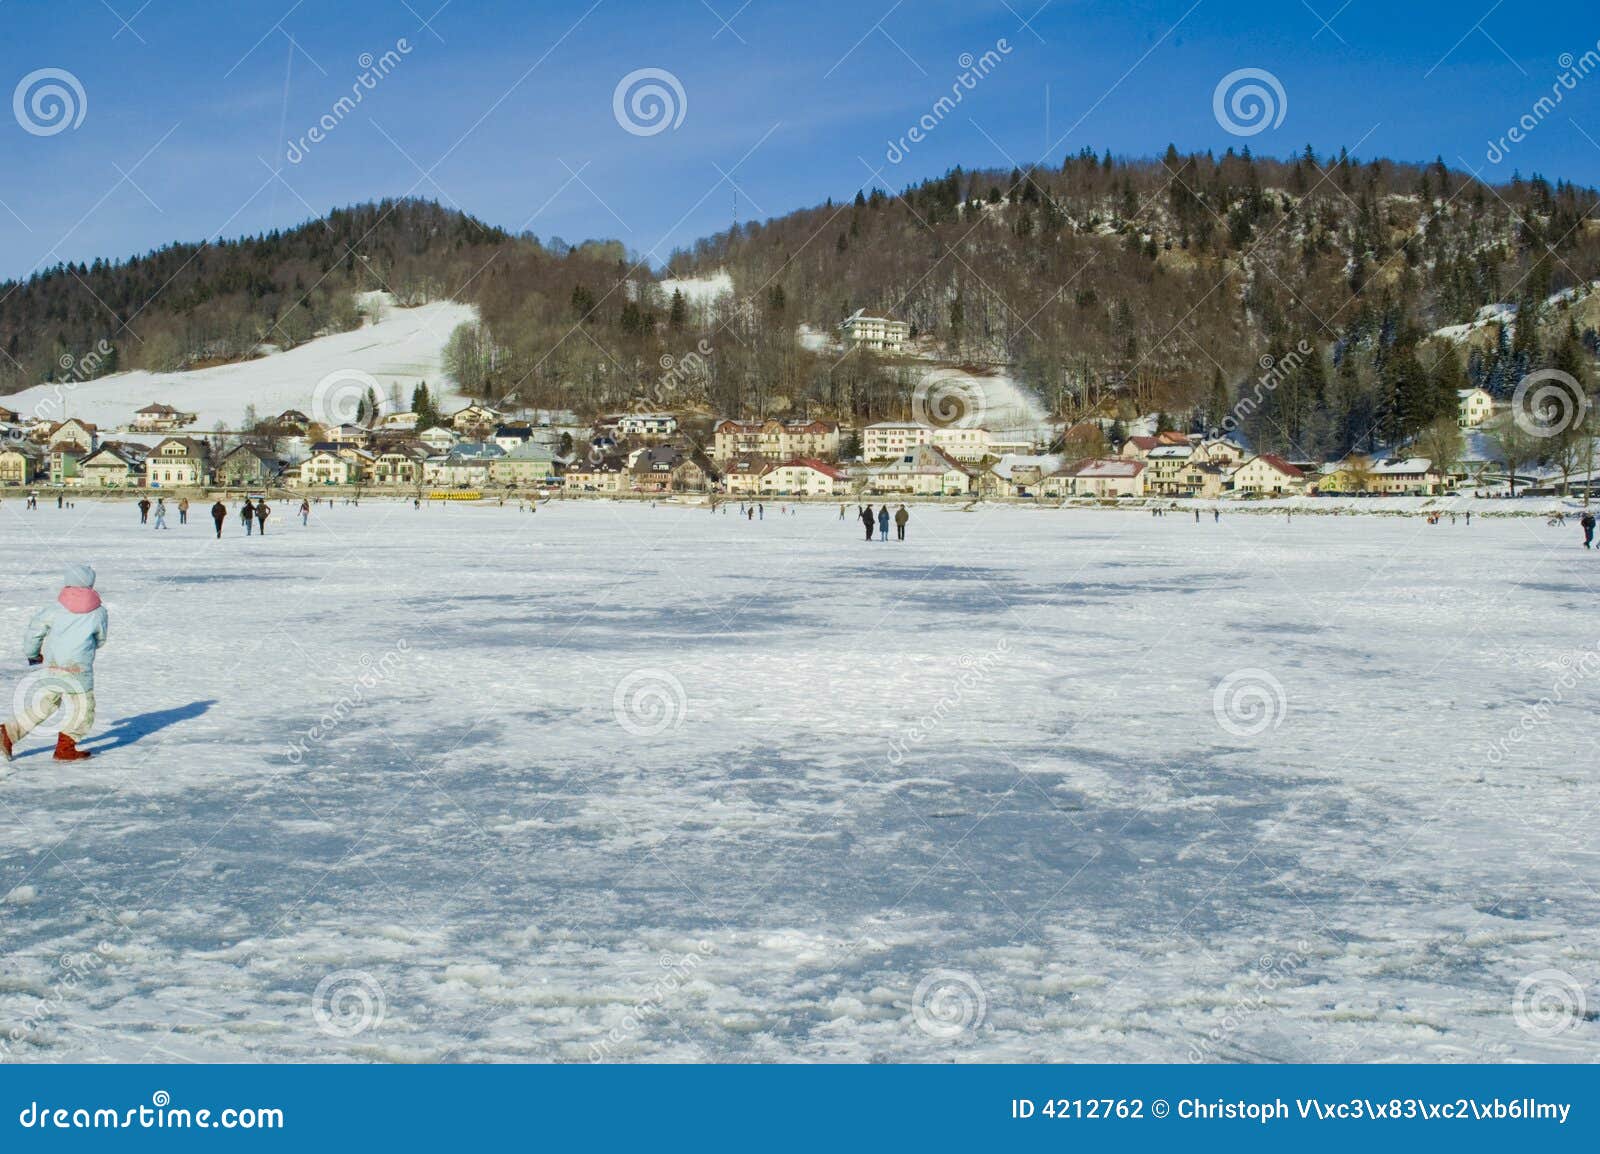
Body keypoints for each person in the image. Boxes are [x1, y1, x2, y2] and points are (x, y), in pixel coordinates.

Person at [1, 563, 107, 763]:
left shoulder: (55, 608)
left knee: (45, 703)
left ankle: (7, 733)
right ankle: (65, 748)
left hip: (53, 665)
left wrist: (33, 654)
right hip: (79, 668)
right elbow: (101, 639)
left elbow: (35, 630)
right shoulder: (98, 612)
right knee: (83, 707)